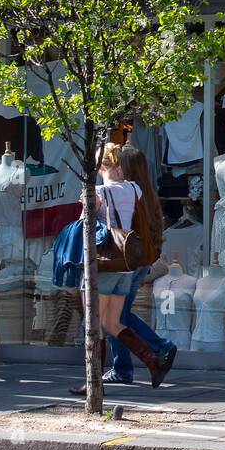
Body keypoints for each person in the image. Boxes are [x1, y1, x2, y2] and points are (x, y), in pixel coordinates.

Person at [69, 144, 176, 394]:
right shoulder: (134, 189)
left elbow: (86, 228)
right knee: (113, 322)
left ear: (100, 167)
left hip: (105, 265)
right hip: (125, 267)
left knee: (94, 322)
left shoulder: (96, 192)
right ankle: (152, 360)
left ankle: (93, 381)